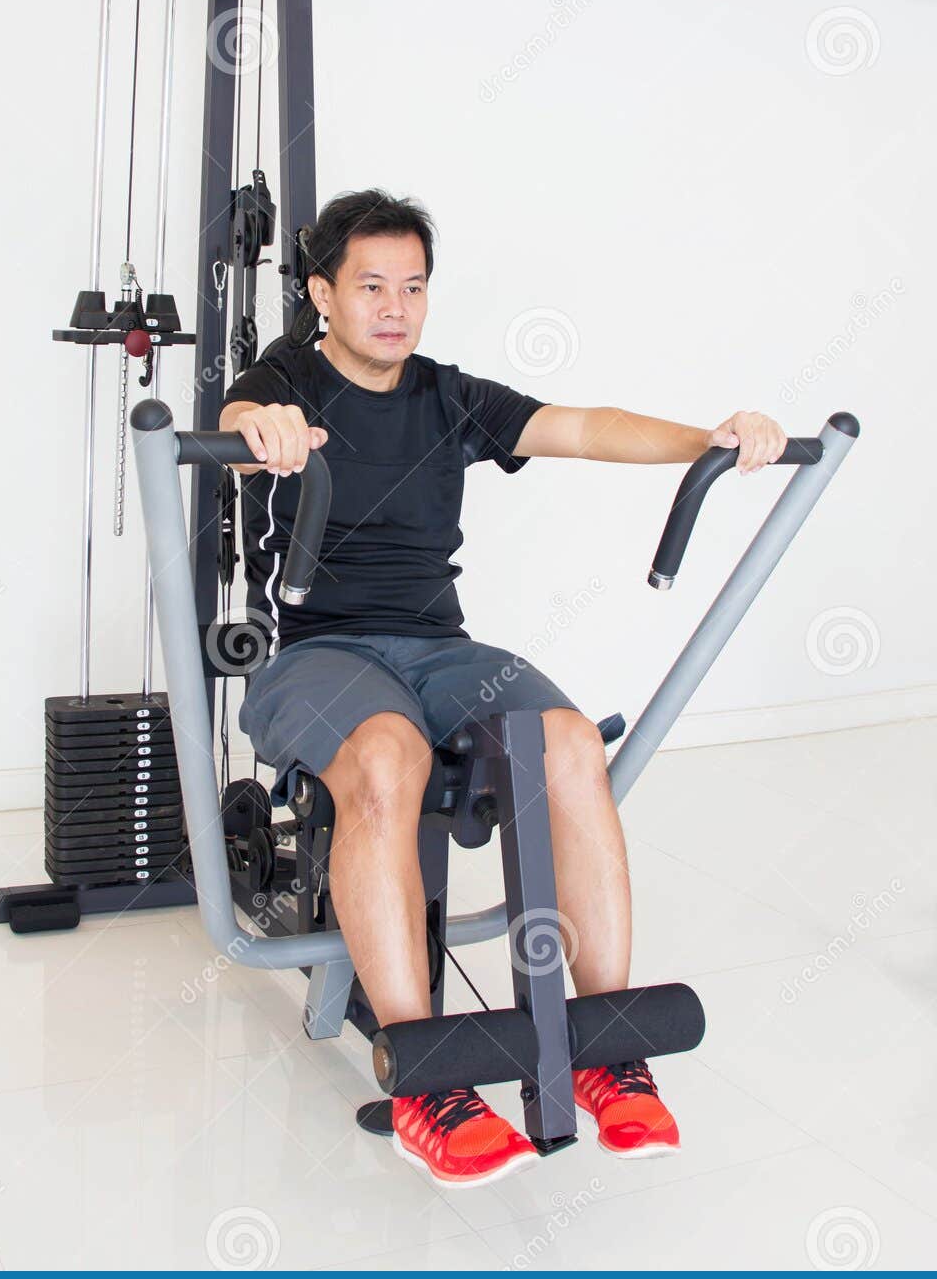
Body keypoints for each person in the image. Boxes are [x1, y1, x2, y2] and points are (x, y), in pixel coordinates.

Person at [219, 188, 786, 1189]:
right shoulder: (287, 379)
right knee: (386, 756)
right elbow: (240, 409)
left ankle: (610, 1051)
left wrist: (711, 436)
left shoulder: (446, 395)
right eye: (369, 286)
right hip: (310, 653)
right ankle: (424, 1080)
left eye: (412, 286)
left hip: (440, 648)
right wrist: (260, 425)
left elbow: (585, 425)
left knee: (566, 739)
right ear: (321, 292)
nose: (394, 306)